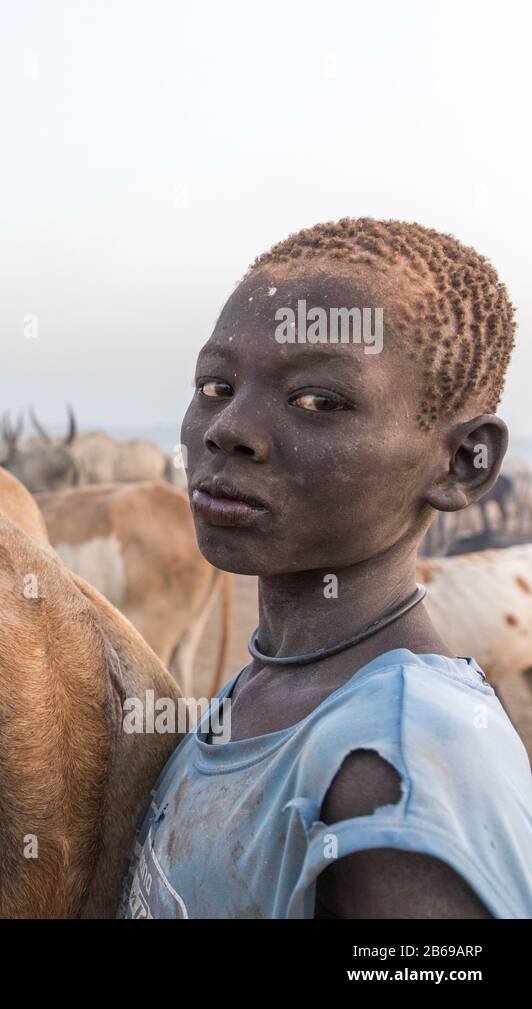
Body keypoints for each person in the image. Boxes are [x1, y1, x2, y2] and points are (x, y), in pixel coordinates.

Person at [120, 218, 532, 918]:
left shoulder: (398, 769)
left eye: (318, 401)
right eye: (216, 385)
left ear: (463, 464)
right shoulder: (269, 689)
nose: (227, 430)